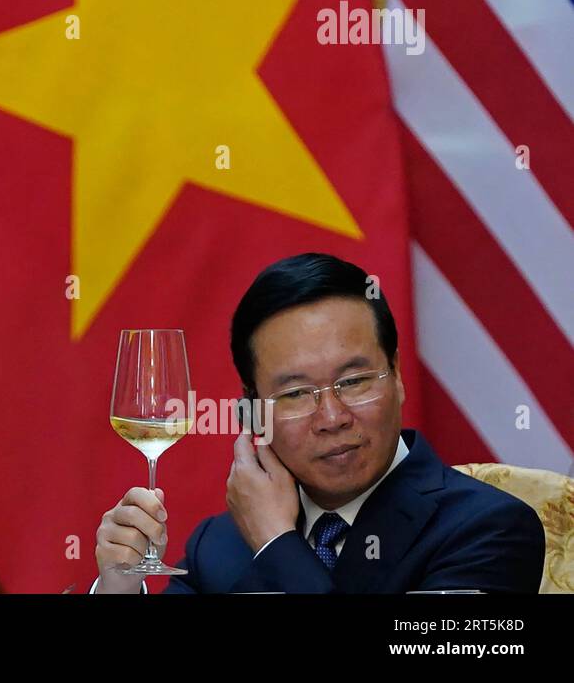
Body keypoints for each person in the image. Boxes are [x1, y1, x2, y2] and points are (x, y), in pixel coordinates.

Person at [93, 253, 545, 593]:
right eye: (294, 394)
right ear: (251, 413)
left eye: (354, 381)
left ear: (399, 376)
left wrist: (276, 544)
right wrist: (119, 587)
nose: (332, 418)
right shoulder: (219, 545)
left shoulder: (488, 530)